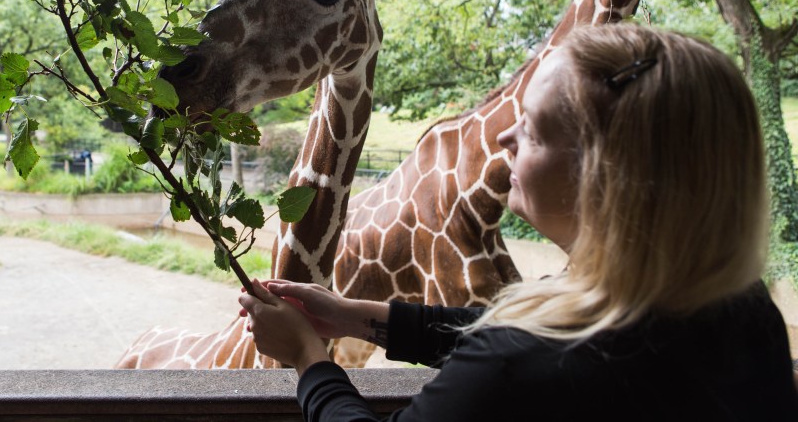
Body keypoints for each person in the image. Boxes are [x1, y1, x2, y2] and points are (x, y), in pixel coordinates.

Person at [240, 24, 798, 421]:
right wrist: (355, 317)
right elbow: (532, 330)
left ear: (605, 178)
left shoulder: (519, 366)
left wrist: (309, 359)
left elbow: (515, 352)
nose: (505, 137)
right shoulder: (745, 313)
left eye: (532, 130)